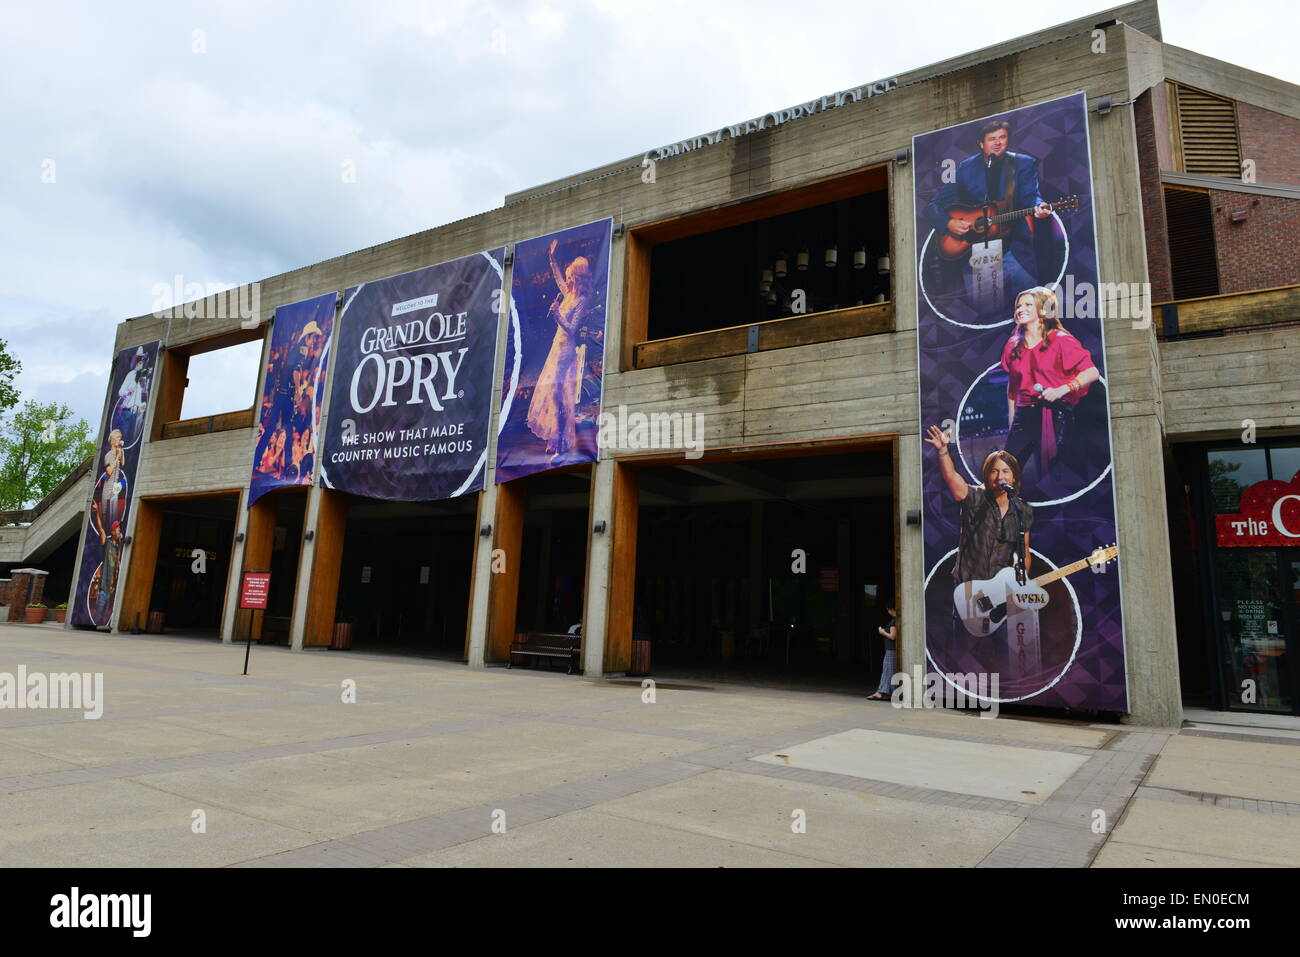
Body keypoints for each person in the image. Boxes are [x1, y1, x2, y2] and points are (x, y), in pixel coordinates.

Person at [923, 119, 1054, 302]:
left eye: (1002, 137)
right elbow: (932, 205)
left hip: (1014, 248)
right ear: (981, 144)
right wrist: (948, 223)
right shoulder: (965, 168)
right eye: (992, 138)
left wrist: (1039, 206)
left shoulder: (1023, 164)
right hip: (977, 251)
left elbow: (1031, 196)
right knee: (988, 309)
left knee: (1029, 302)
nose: (998, 142)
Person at [1000, 286, 1100, 487]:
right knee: (1005, 470)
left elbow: (1092, 372)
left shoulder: (1060, 340)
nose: (1021, 309)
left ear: (1043, 310)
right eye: (1018, 305)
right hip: (1025, 415)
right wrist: (1013, 424)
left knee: (1059, 472)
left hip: (1057, 413)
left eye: (1028, 304)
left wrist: (1061, 389)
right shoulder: (1012, 345)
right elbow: (1012, 389)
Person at [527, 239, 592, 464]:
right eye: (569, 276)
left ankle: (562, 444)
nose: (570, 279)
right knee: (552, 394)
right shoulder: (569, 293)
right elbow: (557, 278)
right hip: (556, 347)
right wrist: (552, 258)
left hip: (566, 349)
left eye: (572, 276)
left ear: (580, 277)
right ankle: (555, 439)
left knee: (558, 394)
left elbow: (572, 329)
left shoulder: (582, 299)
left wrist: (556, 314)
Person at [255, 322, 321, 478]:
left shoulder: (295, 349)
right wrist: (298, 392)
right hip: (286, 396)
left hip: (280, 395)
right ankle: (288, 467)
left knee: (273, 428)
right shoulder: (303, 350)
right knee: (288, 430)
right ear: (308, 338)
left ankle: (259, 459)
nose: (313, 342)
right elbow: (296, 372)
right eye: (313, 338)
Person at [867, 605, 899, 700]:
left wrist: (882, 632)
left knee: (887, 670)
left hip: (891, 650)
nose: (888, 612)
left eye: (888, 610)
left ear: (892, 609)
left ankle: (881, 692)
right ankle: (887, 692)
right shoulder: (896, 620)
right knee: (890, 671)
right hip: (891, 649)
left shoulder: (894, 621)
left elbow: (893, 636)